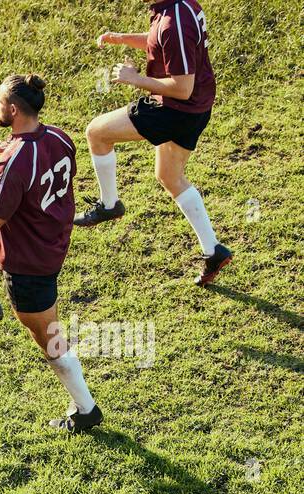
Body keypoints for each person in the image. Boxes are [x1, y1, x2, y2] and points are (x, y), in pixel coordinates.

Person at [0, 74, 103, 432]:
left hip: (30, 263)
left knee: (51, 341)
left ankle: (86, 409)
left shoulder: (15, 161)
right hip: (52, 237)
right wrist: (11, 147)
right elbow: (39, 166)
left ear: (13, 110)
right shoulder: (60, 137)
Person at [76, 2, 231, 285]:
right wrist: (121, 38)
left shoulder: (175, 23)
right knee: (169, 176)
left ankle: (109, 204)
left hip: (175, 110)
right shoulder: (178, 7)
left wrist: (136, 80)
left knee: (97, 132)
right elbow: (158, 42)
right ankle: (214, 250)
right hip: (196, 108)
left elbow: (182, 88)